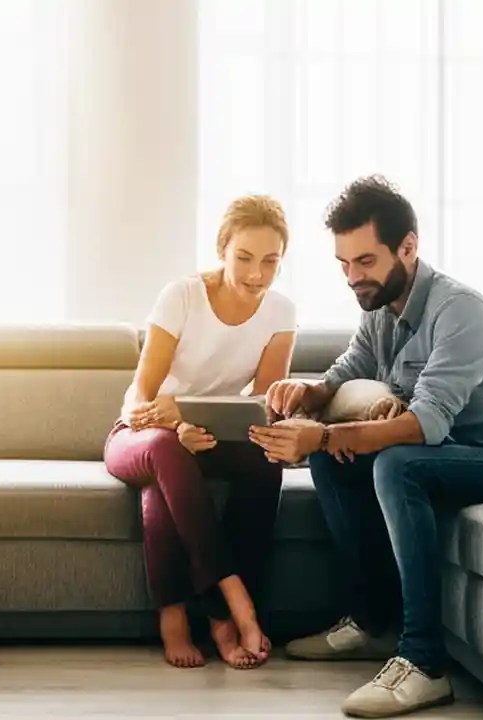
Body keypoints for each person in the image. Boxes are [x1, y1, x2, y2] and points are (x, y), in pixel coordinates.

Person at [249, 176, 483, 717]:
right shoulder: (378, 307)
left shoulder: (460, 310)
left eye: (365, 261)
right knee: (338, 460)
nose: (353, 277)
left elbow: (425, 424)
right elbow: (350, 370)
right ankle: (373, 622)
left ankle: (424, 664)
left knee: (397, 464)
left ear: (408, 247)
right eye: (344, 264)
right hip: (456, 459)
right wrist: (309, 393)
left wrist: (322, 433)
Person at [104, 195, 297, 669]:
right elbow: (140, 397)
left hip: (210, 438)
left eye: (270, 261)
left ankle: (211, 612)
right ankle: (230, 605)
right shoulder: (183, 296)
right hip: (142, 436)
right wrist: (177, 424)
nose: (257, 274)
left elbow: (262, 405)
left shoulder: (281, 312)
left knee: (264, 463)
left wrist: (204, 427)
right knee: (168, 456)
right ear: (222, 250)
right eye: (244, 258)